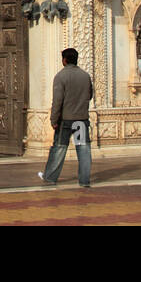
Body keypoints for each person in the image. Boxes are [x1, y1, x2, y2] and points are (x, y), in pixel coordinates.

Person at [38, 48, 93, 187]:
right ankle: (84, 180)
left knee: (59, 148)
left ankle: (50, 177)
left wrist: (54, 120)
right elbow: (89, 95)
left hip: (66, 120)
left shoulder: (60, 77)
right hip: (81, 119)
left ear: (64, 60)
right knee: (83, 149)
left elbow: (57, 100)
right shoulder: (85, 76)